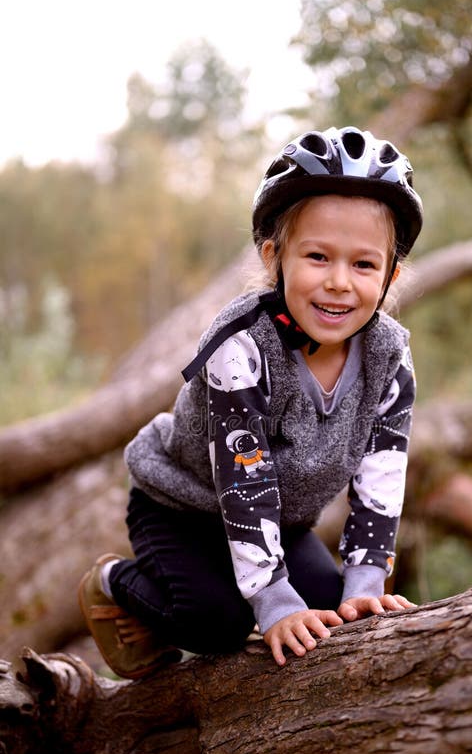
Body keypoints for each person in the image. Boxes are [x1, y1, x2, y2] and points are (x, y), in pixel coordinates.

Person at [78, 125, 423, 677]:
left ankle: (254, 587)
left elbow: (382, 476)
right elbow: (246, 481)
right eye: (318, 257)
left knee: (331, 609)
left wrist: (365, 585)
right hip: (183, 506)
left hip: (279, 522)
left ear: (390, 275)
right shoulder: (241, 346)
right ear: (274, 257)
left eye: (363, 264)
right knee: (217, 624)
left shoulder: (389, 357)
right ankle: (114, 582)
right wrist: (274, 602)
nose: (339, 282)